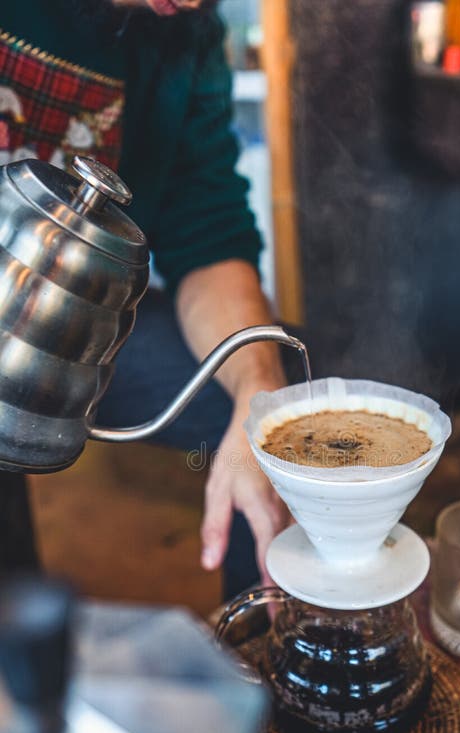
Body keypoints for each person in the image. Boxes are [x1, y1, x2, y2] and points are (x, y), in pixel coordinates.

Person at [0, 0, 289, 598]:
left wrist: (260, 393)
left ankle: (260, 647)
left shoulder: (185, 33)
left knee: (282, 427)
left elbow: (207, 235)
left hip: (71, 333)